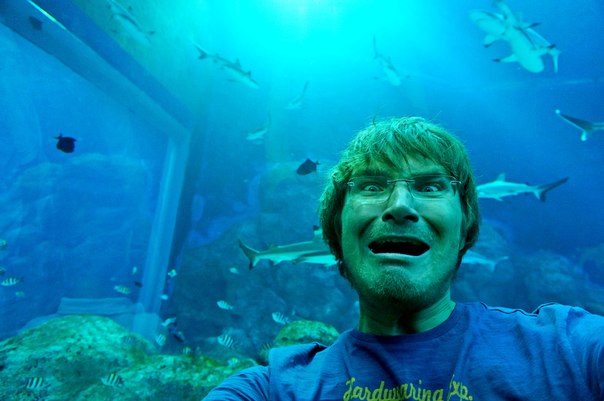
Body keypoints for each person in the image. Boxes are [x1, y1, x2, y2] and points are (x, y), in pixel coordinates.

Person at [203, 116, 604, 401]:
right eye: (371, 186)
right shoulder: (272, 390)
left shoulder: (569, 351)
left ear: (466, 224)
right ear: (335, 231)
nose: (399, 206)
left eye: (430, 186)